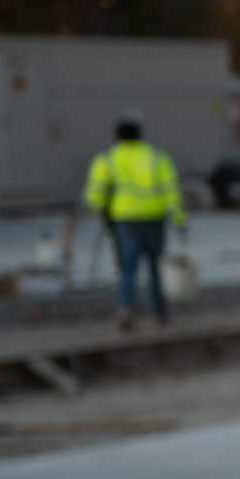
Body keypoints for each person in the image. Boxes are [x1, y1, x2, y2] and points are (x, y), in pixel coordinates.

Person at [83, 114, 183, 326]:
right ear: (140, 133)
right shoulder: (156, 156)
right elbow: (171, 190)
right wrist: (179, 218)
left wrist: (99, 209)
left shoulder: (108, 158)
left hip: (125, 220)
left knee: (127, 267)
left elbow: (95, 193)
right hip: (153, 218)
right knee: (156, 266)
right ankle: (159, 311)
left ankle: (125, 308)